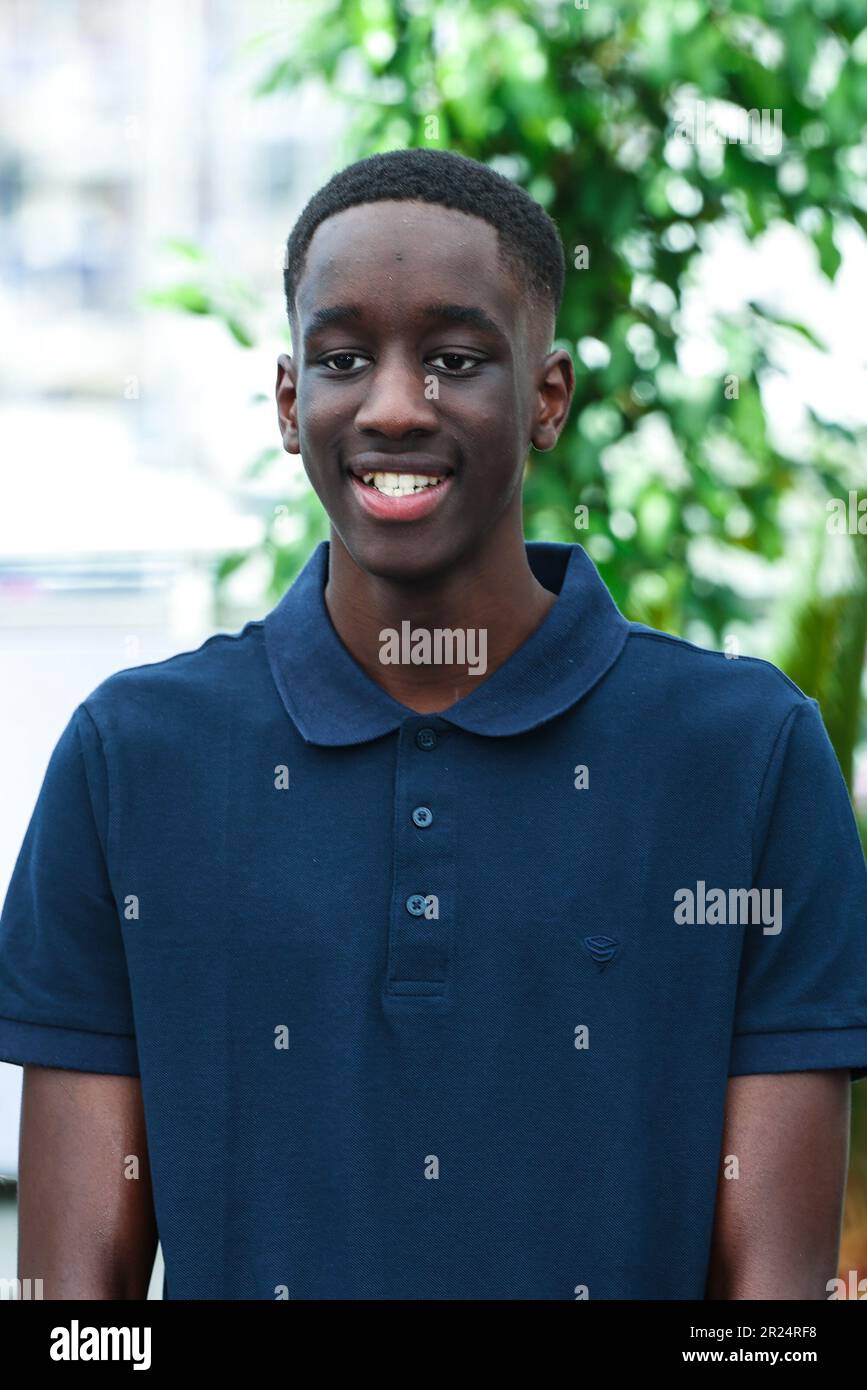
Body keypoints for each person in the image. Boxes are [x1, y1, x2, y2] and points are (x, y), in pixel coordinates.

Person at [1, 148, 866, 1300]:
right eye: (344, 358)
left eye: (456, 360)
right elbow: (74, 1307)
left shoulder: (746, 755)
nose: (396, 405)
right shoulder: (132, 759)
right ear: (289, 399)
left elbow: (774, 1312)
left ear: (547, 397)